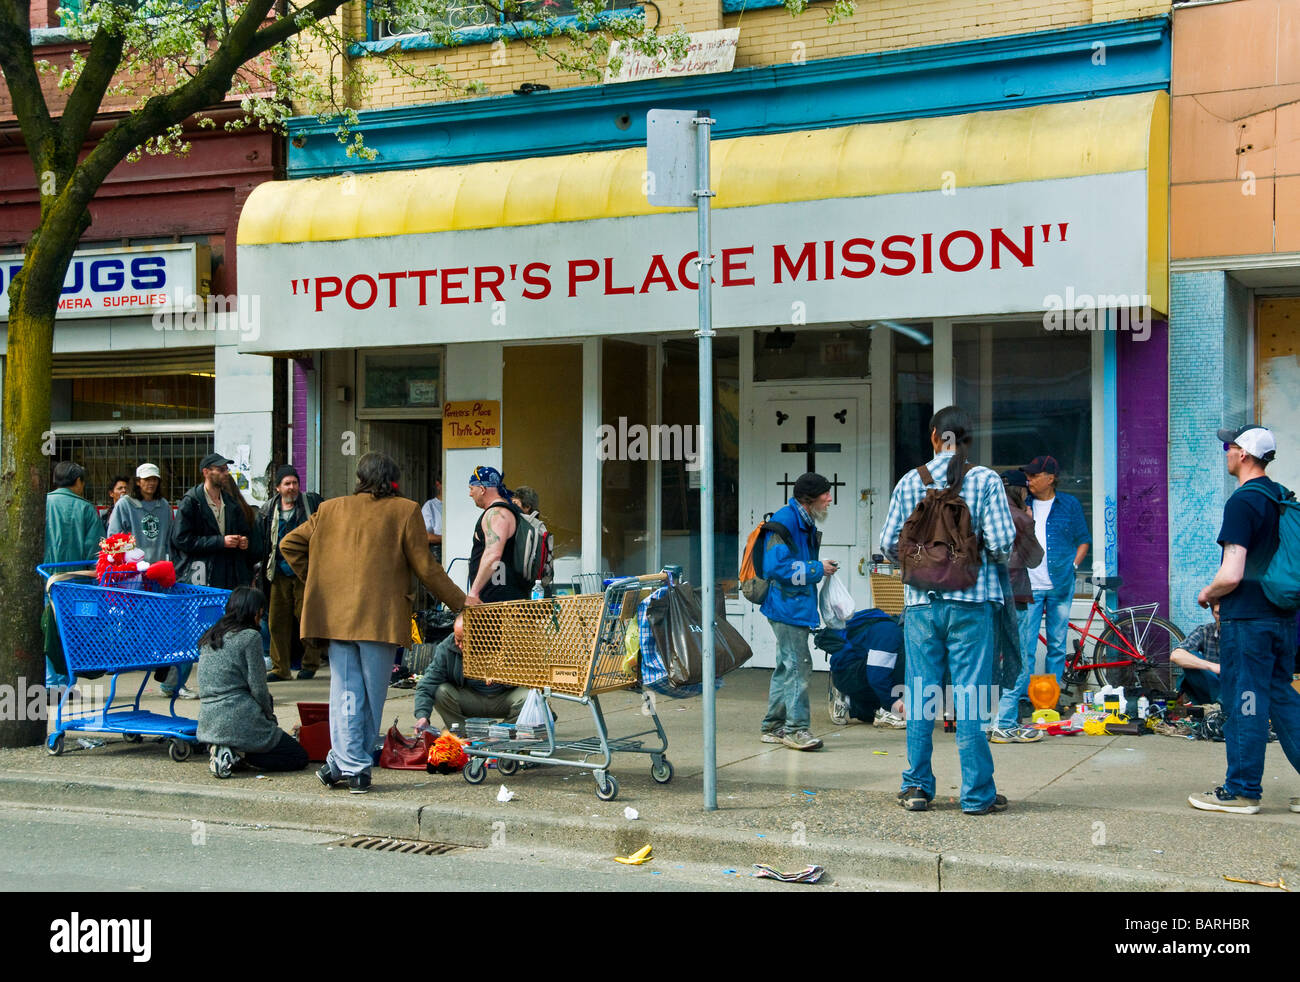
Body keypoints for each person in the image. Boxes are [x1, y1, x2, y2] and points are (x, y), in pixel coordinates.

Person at [280, 452, 473, 794]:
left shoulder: (330, 508)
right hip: (379, 620)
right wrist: (462, 603)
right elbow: (426, 569)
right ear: (393, 479)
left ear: (360, 477)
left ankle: (342, 763)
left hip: (337, 619)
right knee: (371, 696)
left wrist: (320, 583)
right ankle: (355, 767)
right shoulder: (405, 510)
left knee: (346, 695)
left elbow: (289, 543)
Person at [879, 406, 1016, 814]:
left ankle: (918, 788)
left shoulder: (909, 482)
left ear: (934, 435)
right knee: (971, 698)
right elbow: (1002, 544)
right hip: (972, 605)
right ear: (967, 440)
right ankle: (976, 796)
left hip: (921, 606)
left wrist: (926, 562)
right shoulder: (985, 480)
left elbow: (888, 544)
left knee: (921, 695)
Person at [1189, 424, 1300, 815]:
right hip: (1283, 618)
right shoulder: (1279, 496)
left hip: (1249, 622)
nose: (1226, 453)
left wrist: (1208, 593)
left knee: (1246, 702)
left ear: (1245, 454)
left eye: (1230, 446)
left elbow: (1232, 573)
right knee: (1283, 699)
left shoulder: (1242, 501)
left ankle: (1241, 790)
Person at [758, 471, 839, 751]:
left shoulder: (802, 520)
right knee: (798, 666)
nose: (830, 499)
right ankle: (795, 729)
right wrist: (818, 569)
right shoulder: (785, 522)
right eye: (825, 494)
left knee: (787, 665)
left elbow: (793, 563)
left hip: (792, 604)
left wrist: (818, 565)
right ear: (809, 499)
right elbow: (775, 568)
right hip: (786, 607)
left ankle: (772, 726)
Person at [196, 586, 309, 779]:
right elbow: (258, 688)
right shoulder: (250, 637)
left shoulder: (210, 636)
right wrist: (270, 717)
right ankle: (239, 754)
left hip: (209, 722)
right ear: (256, 611)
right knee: (297, 756)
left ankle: (228, 751)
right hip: (238, 717)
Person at [1021, 455, 1091, 694]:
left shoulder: (1069, 504)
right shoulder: (1023, 503)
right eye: (1027, 475)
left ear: (1050, 479)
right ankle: (1023, 696)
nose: (1028, 480)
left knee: (1057, 644)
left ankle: (1051, 696)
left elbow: (1083, 541)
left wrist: (1072, 566)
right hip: (1029, 585)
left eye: (1034, 475)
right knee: (1026, 644)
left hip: (1060, 583)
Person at [989, 468, 1048, 743]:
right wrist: (1030, 522)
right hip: (1016, 595)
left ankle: (990, 721)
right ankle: (1006, 722)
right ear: (1018, 490)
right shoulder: (1021, 518)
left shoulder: (984, 516)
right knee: (1018, 658)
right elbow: (1034, 558)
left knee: (990, 659)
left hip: (987, 595)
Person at [258, 465, 324, 682]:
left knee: (306, 619)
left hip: (304, 572)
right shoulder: (268, 510)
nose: (292, 487)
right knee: (277, 622)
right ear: (278, 487)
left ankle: (310, 664)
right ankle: (280, 668)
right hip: (277, 573)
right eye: (287, 483)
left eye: (294, 482)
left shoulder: (311, 503)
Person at [43, 461, 104, 691]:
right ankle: (67, 683)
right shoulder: (86, 509)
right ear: (78, 482)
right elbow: (95, 553)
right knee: (71, 631)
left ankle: (51, 683)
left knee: (47, 629)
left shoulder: (42, 503)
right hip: (75, 584)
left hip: (43, 578)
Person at [413, 615, 528, 731]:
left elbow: (530, 675)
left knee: (532, 696)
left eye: (466, 641)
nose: (461, 646)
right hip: (471, 699)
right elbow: (427, 683)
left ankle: (504, 732)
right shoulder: (447, 647)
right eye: (458, 640)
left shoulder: (507, 643)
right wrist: (423, 716)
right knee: (441, 691)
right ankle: (462, 732)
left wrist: (502, 675)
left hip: (504, 698)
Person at [171, 452, 255, 590]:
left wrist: (243, 541)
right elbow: (181, 539)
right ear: (206, 472)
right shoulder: (191, 501)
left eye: (227, 469)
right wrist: (220, 541)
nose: (226, 473)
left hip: (228, 574)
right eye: (221, 470)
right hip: (201, 575)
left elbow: (244, 531)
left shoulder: (230, 502)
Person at [821, 609, 906, 728]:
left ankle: (848, 699)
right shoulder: (890, 632)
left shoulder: (896, 629)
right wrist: (895, 705)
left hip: (855, 672)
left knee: (867, 715)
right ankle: (887, 711)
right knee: (904, 659)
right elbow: (877, 676)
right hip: (847, 674)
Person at [466, 466, 528, 604]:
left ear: (482, 489)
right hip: (506, 598)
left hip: (498, 603)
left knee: (460, 626)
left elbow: (493, 554)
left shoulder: (497, 513)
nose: (470, 494)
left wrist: (473, 593)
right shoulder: (509, 510)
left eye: (471, 488)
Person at [107, 463, 173, 564]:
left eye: (154, 479)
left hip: (158, 567)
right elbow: (113, 537)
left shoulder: (164, 505)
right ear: (138, 482)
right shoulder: (125, 505)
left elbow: (170, 537)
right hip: (132, 570)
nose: (151, 483)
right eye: (147, 479)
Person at [1171, 605, 1222, 706]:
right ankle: (1214, 706)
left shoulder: (1244, 632)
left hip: (1238, 688)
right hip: (1212, 687)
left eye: (1226, 613)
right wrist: (1213, 667)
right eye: (1218, 613)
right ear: (1212, 613)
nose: (1223, 617)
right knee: (1189, 655)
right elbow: (1176, 655)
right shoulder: (1206, 630)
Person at [421, 475, 443, 562]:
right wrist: (446, 539)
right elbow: (426, 536)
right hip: (437, 552)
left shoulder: (457, 505)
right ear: (438, 485)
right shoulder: (429, 506)